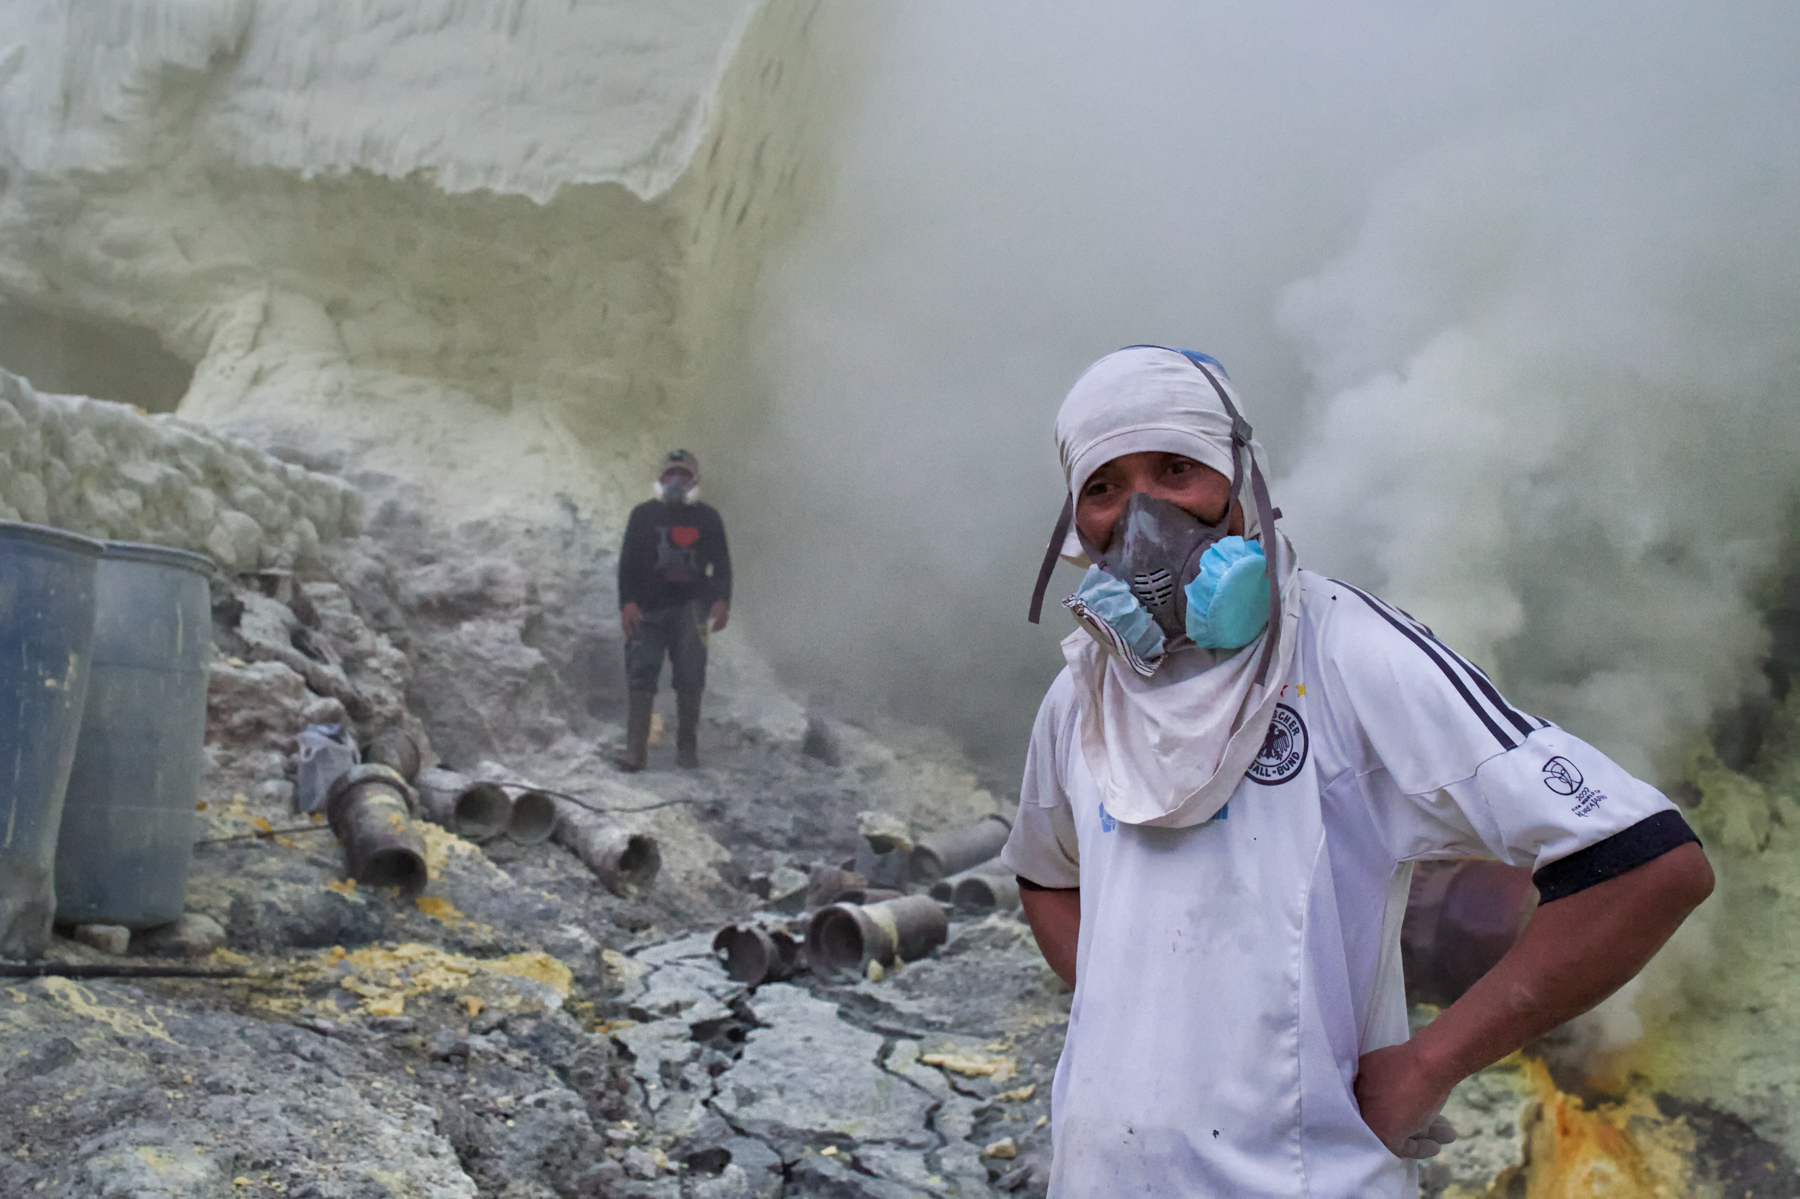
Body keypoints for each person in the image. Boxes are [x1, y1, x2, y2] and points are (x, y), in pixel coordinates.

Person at [1001, 346, 1714, 1197]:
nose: (1143, 515)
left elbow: (1648, 864)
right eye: (1104, 487)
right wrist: (1129, 1016)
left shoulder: (1347, 656)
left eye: (1176, 468)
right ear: (1074, 524)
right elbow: (1045, 875)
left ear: (1242, 477)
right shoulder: (1082, 689)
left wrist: (1431, 1061)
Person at [615, 450, 731, 771]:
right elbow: (628, 563)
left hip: (692, 607)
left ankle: (687, 750)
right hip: (648, 607)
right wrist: (626, 602)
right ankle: (635, 753)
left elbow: (721, 563)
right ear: (660, 479)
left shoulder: (709, 518)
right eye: (670, 473)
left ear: (694, 479)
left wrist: (722, 600)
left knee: (691, 676)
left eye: (683, 473)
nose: (676, 480)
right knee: (641, 674)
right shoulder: (642, 515)